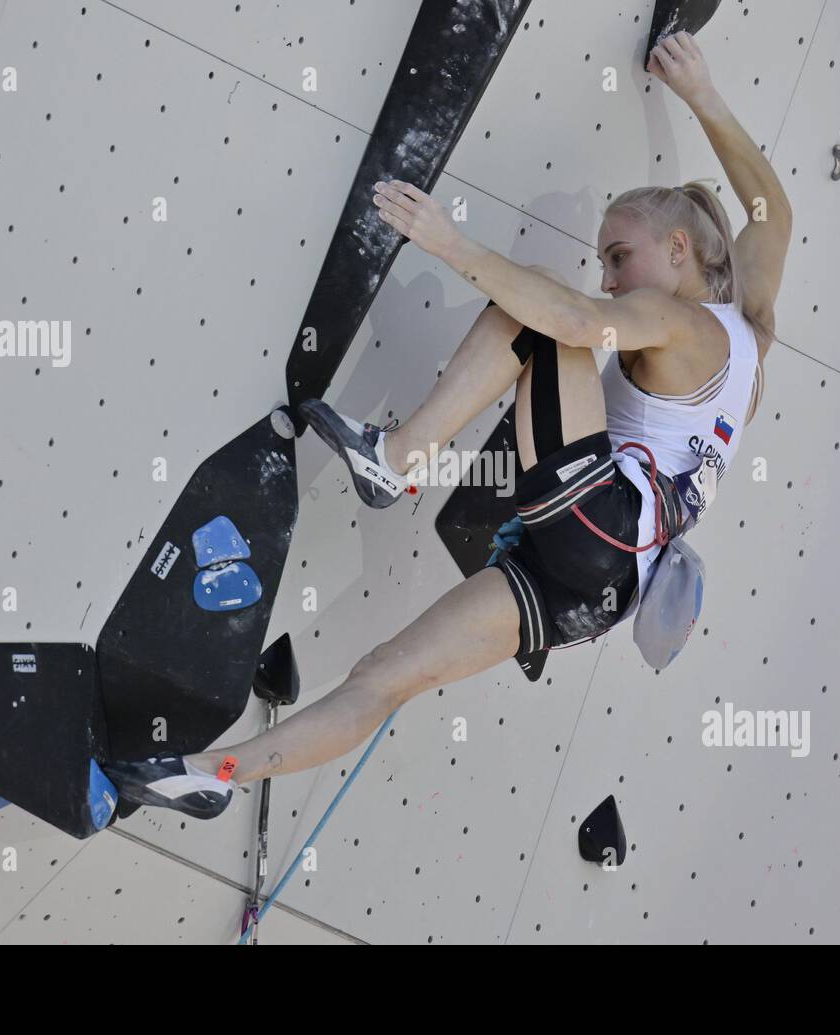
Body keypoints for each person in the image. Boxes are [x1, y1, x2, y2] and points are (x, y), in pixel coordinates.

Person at [105, 32, 791, 819]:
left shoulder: (678, 320)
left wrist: (450, 243)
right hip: (598, 592)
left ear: (677, 251)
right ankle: (205, 774)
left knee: (539, 300)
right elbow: (772, 208)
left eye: (619, 255)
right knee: (384, 673)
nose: (608, 276)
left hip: (604, 526)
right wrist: (701, 94)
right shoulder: (753, 341)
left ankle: (396, 459)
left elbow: (571, 317)